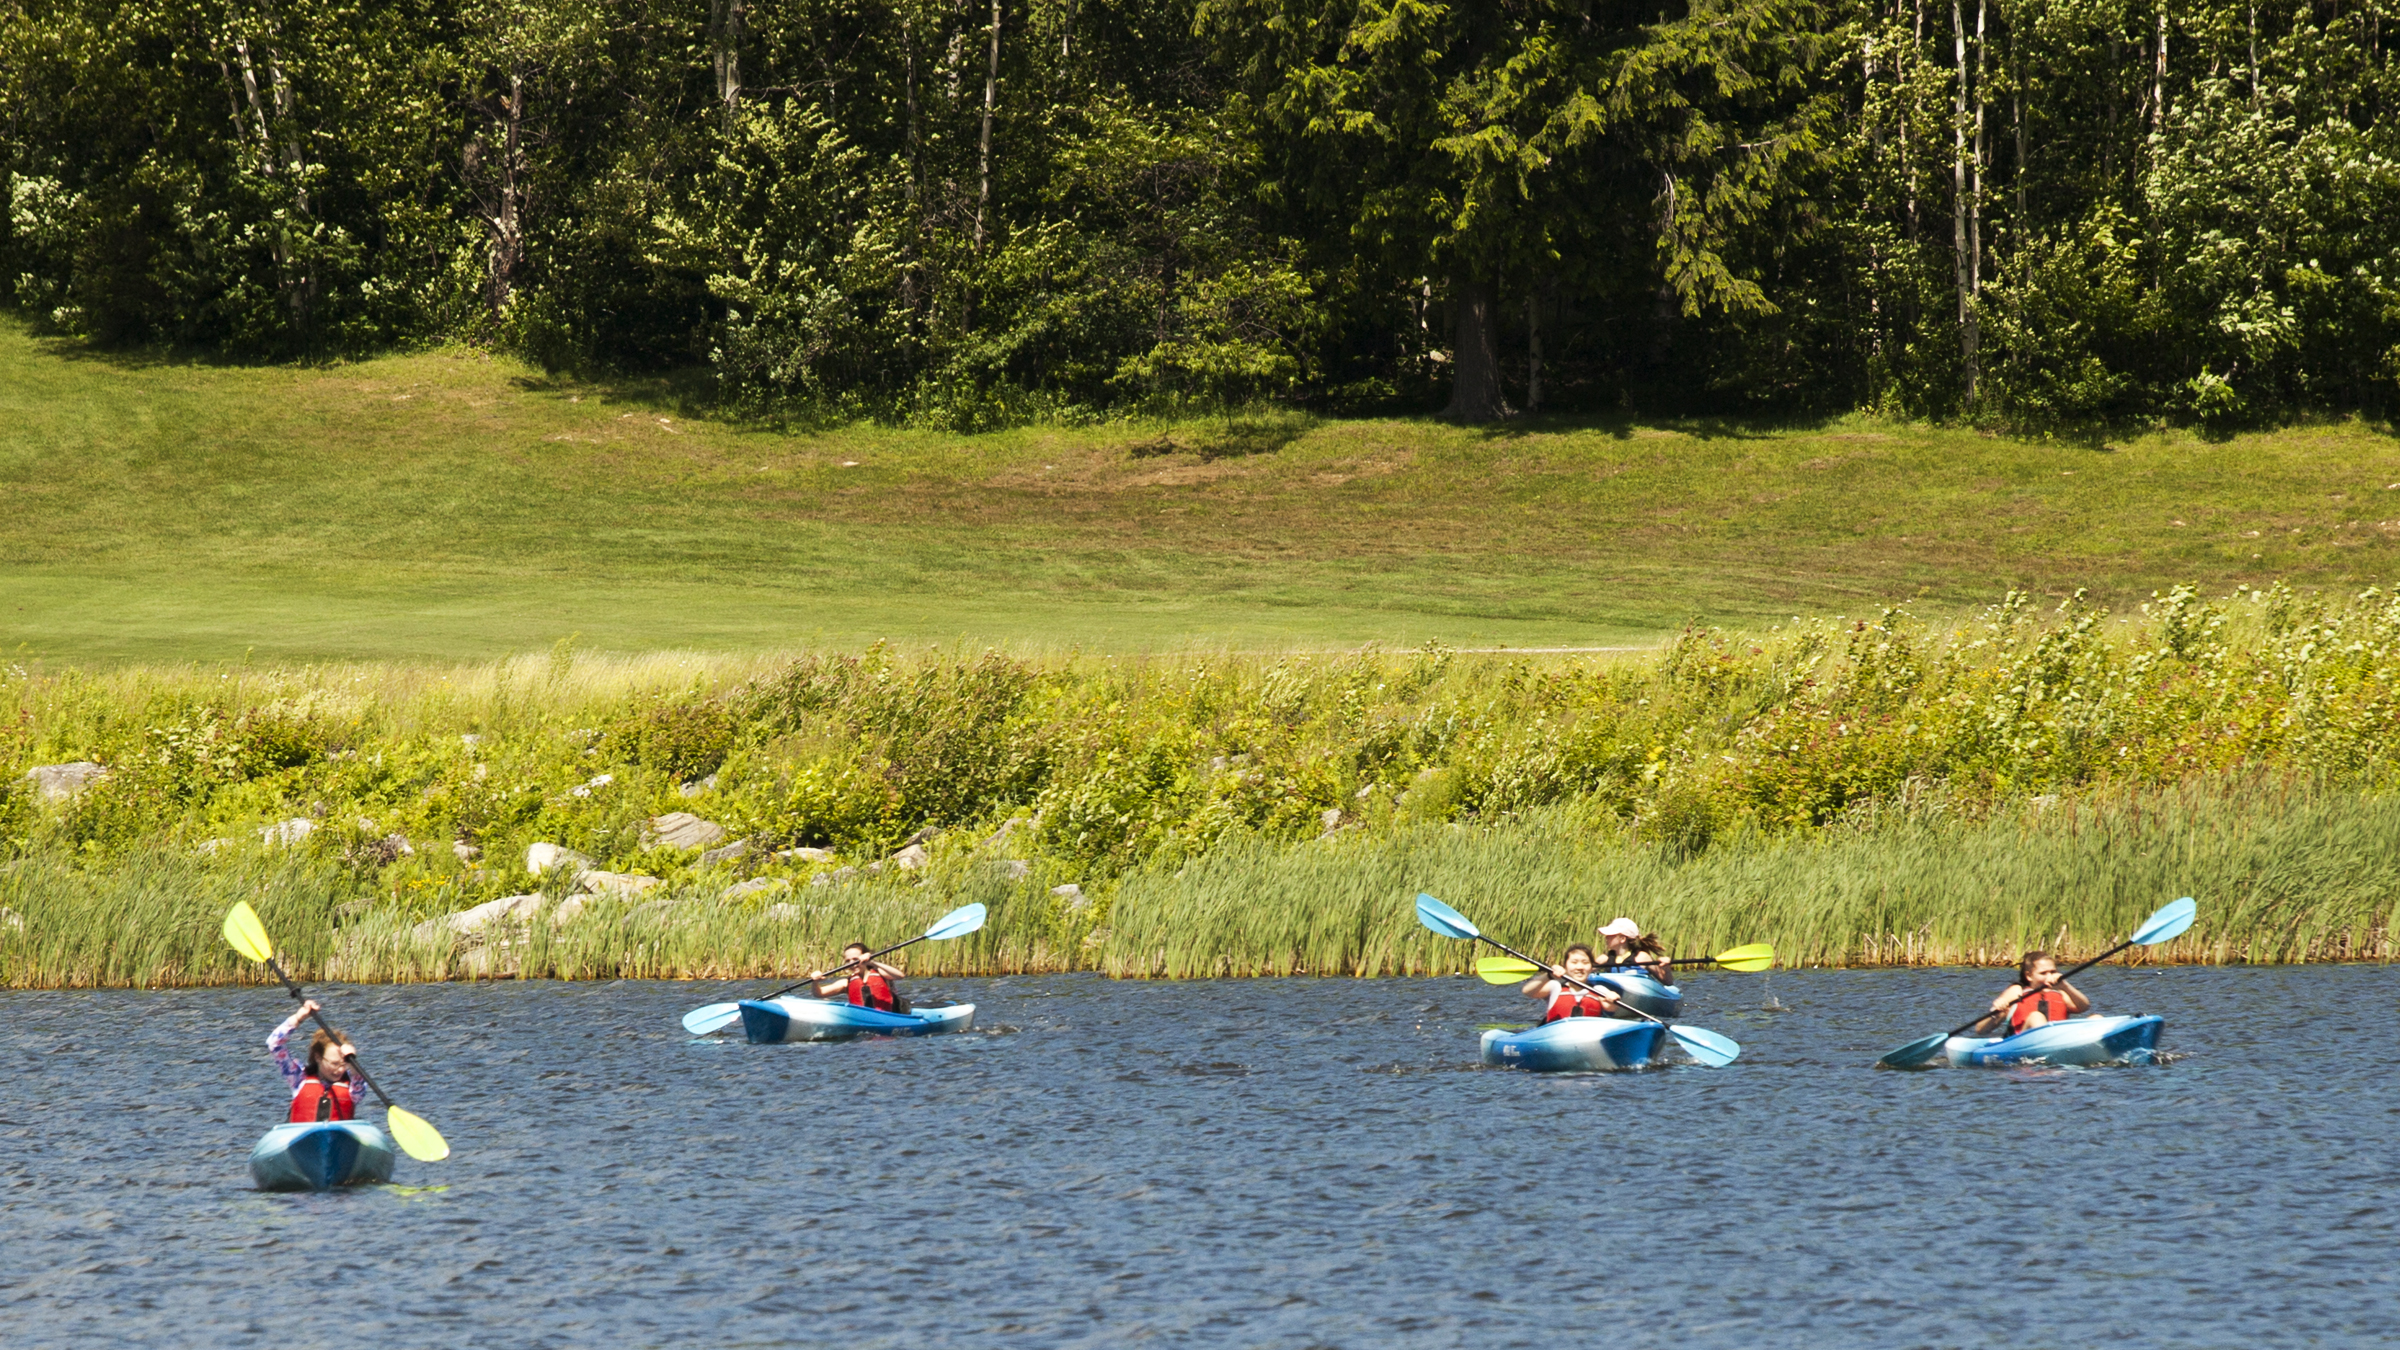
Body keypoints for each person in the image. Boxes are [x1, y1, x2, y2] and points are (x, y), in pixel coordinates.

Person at [268, 1001, 367, 1123]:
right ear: (318, 1057)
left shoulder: (353, 1085)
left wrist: (352, 1064)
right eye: (334, 1064)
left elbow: (359, 1090)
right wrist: (298, 1018)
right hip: (303, 1137)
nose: (340, 1070)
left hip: (338, 1138)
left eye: (344, 1064)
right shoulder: (299, 1078)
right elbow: (274, 1044)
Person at [1980, 951, 2091, 1036]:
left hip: (2057, 1040)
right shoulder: (2017, 991)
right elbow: (1980, 1030)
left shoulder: (2060, 992)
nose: (2049, 977)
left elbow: (2084, 1007)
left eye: (2053, 972)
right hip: (2020, 1044)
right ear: (2029, 975)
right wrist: (1996, 1013)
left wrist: (2065, 985)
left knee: (2095, 1018)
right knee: (2036, 1017)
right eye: (2043, 973)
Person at [1520, 944, 1625, 1023]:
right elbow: (1527, 991)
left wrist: (1613, 998)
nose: (1579, 967)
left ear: (1591, 967)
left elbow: (1611, 1008)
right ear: (1565, 966)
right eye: (1574, 962)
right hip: (1555, 1038)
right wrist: (1548, 976)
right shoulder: (1555, 987)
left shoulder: (1599, 990)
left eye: (1585, 963)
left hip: (1587, 1042)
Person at [808, 943, 908, 1012]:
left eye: (855, 959)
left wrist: (872, 962)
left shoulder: (881, 973)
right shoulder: (846, 982)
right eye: (848, 961)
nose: (852, 964)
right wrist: (815, 982)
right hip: (862, 1020)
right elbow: (819, 993)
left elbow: (900, 976)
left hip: (889, 1018)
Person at [1598, 917, 1676, 987]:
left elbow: (1668, 982)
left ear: (1622, 939)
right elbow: (1588, 969)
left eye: (1611, 935)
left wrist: (1666, 968)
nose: (1606, 938)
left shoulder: (1641, 957)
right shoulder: (1605, 958)